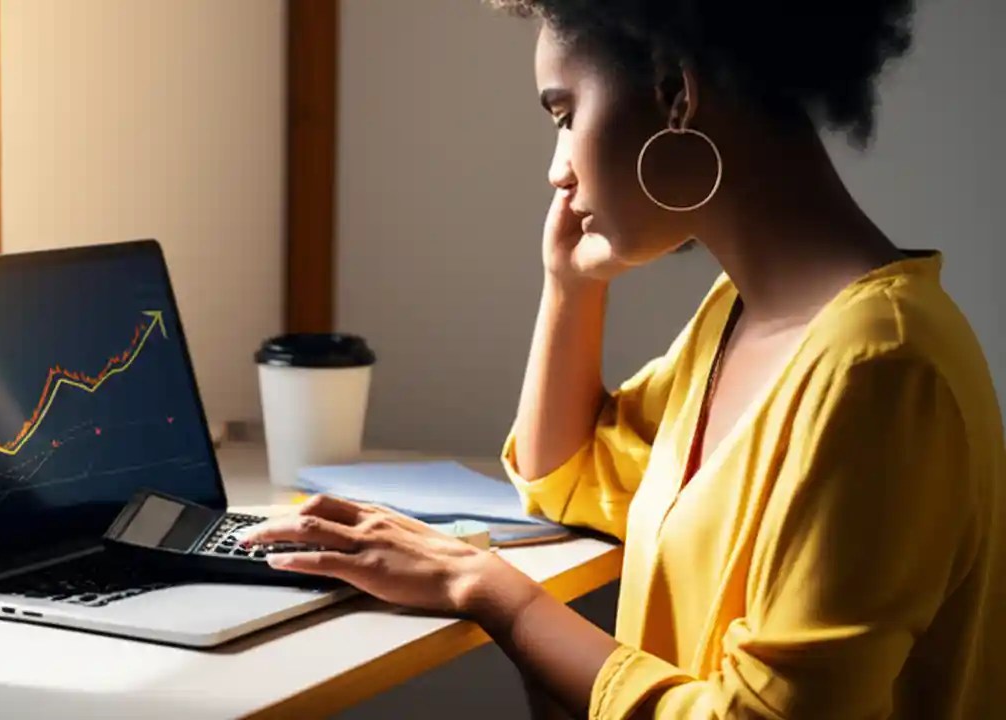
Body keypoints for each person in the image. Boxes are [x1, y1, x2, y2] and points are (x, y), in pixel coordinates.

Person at [243, 0, 1004, 716]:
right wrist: (569, 287)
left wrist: (489, 591)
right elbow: (566, 476)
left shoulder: (880, 369)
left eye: (565, 115)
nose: (558, 168)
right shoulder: (740, 315)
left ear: (674, 93)